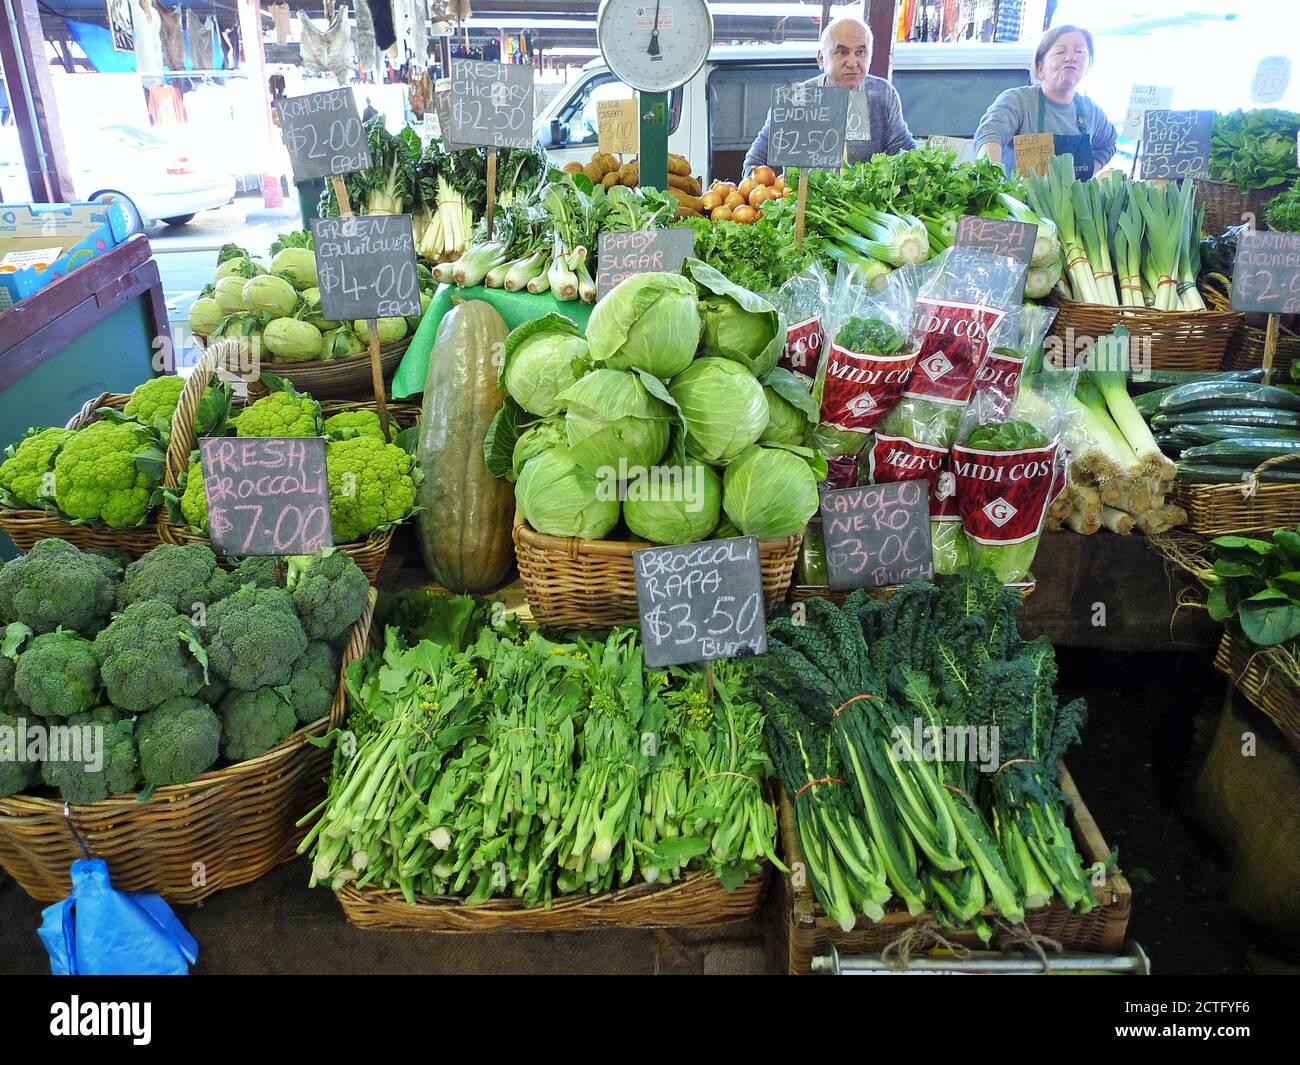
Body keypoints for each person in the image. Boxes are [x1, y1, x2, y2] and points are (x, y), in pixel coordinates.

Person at [744, 17, 916, 174]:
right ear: (821, 59)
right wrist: (758, 187)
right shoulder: (796, 100)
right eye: (842, 52)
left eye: (860, 52)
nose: (852, 62)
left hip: (863, 205)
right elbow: (755, 161)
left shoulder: (883, 94)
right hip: (807, 204)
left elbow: (903, 150)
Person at [973, 24, 1117, 179]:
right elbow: (990, 135)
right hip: (1021, 201)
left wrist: (1088, 173)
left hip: (1072, 203)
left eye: (1079, 51)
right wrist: (991, 181)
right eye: (1060, 52)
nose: (1071, 57)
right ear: (1040, 68)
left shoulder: (1091, 111)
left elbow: (1108, 144)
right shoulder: (1017, 101)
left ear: (1088, 66)